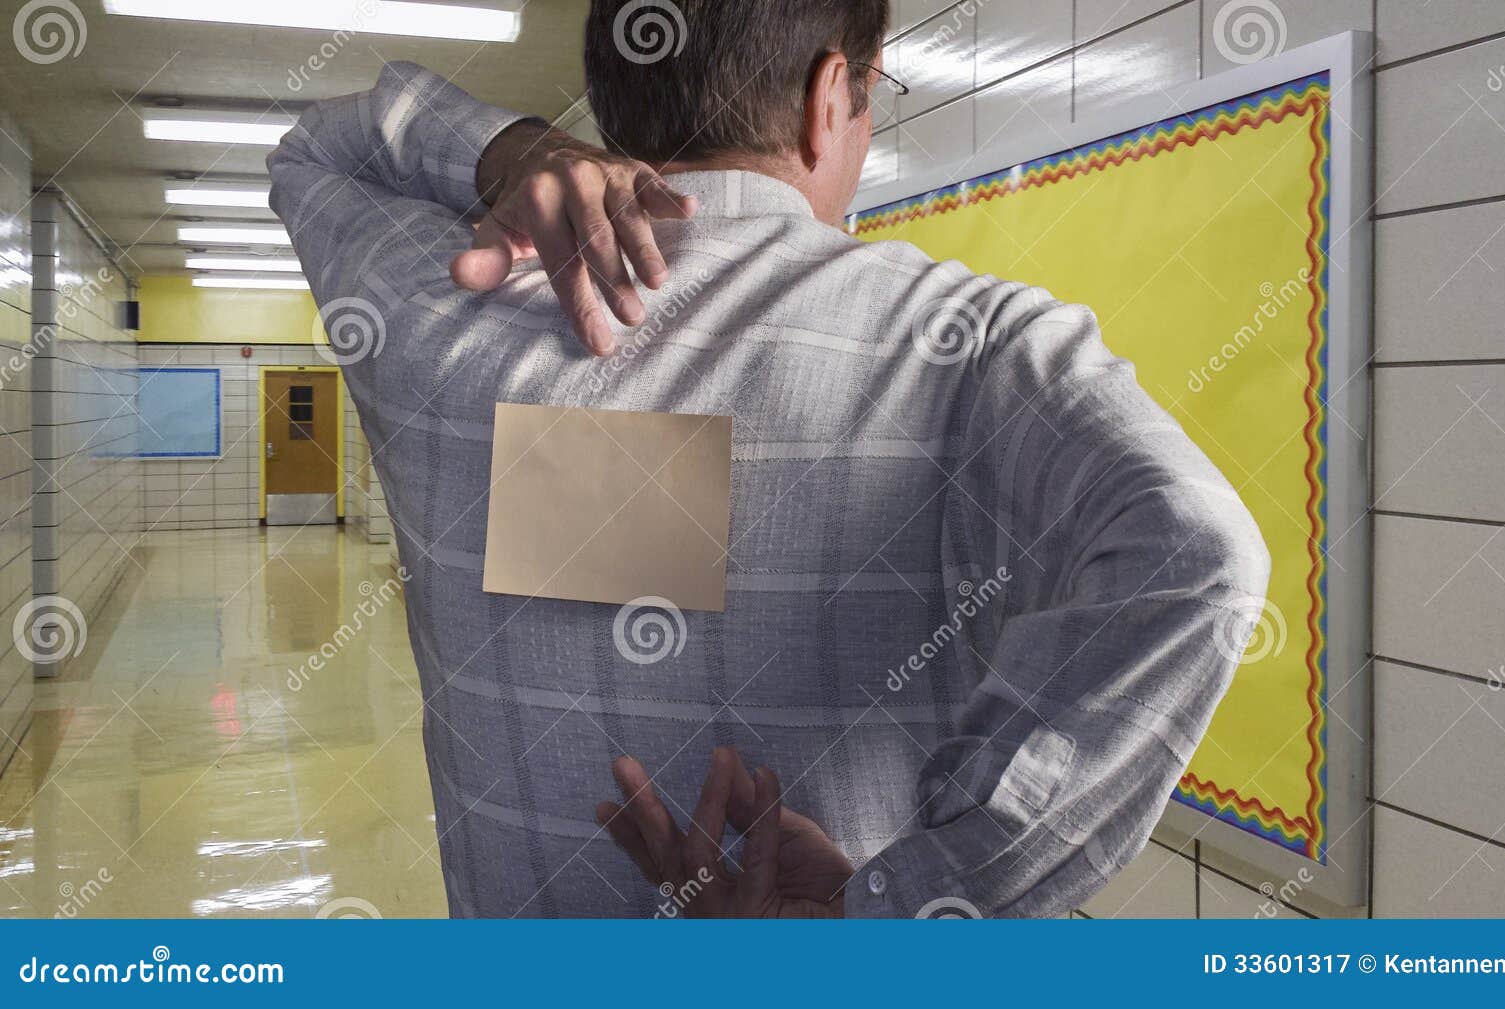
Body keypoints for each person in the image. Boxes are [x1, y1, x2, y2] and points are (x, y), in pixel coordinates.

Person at [267, 0, 1269, 918]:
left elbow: (315, 153)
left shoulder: (443, 315)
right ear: (831, 97)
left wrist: (507, 149)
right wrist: (909, 905)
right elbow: (1199, 557)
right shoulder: (965, 343)